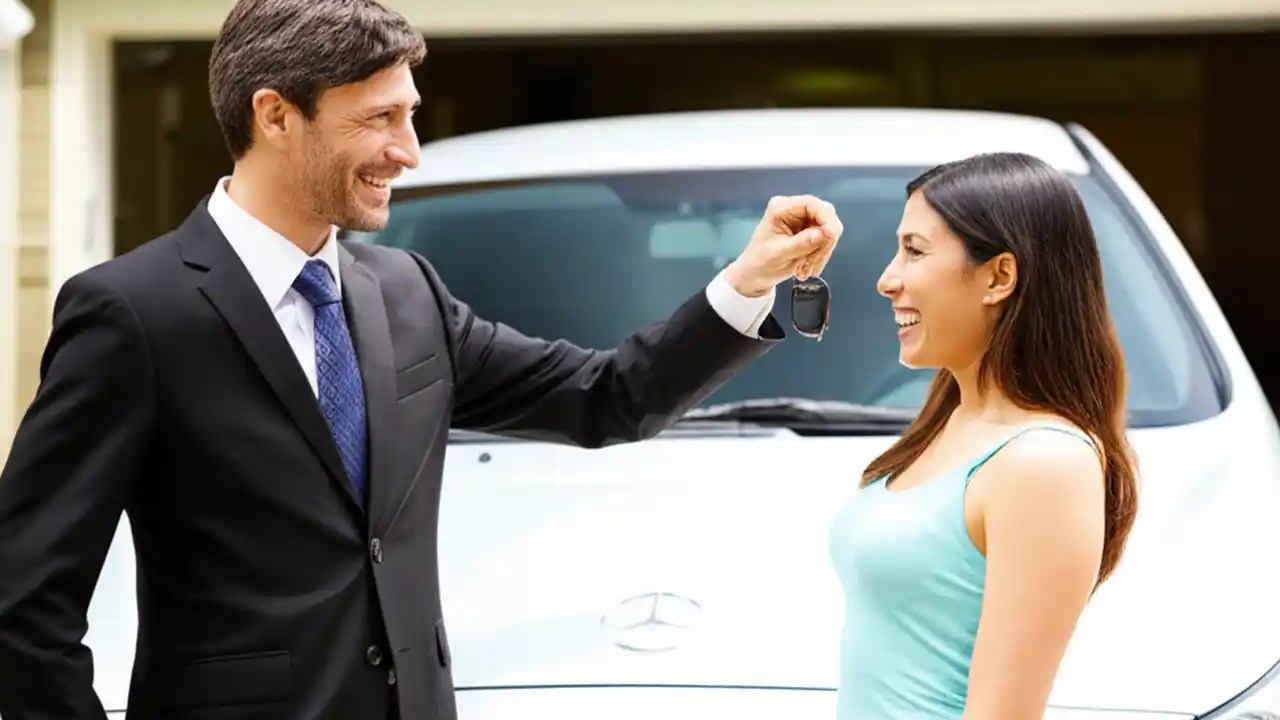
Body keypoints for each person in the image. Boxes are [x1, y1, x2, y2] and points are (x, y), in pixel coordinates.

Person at [0, 1, 843, 718]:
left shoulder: (406, 292)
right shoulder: (132, 312)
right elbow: (25, 605)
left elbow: (607, 397)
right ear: (275, 115)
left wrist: (746, 281)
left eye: (409, 115)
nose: (409, 150)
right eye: (379, 119)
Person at [827, 152, 1139, 718]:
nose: (886, 279)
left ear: (999, 276)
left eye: (914, 251)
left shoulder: (1044, 462)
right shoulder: (952, 423)